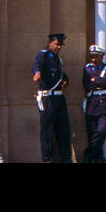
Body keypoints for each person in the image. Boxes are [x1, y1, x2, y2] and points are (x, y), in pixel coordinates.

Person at [33, 32, 72, 163]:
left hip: (59, 98)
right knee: (47, 130)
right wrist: (37, 73)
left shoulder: (58, 59)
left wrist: (66, 80)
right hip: (48, 99)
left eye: (61, 45)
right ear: (50, 43)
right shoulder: (43, 54)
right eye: (57, 44)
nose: (59, 47)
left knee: (63, 129)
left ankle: (65, 158)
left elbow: (60, 74)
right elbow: (36, 65)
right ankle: (47, 158)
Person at [81, 44, 106, 163]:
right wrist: (99, 81)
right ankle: (97, 158)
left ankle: (88, 154)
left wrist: (95, 80)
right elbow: (87, 84)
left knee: (102, 131)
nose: (93, 59)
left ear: (102, 57)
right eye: (91, 56)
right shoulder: (87, 68)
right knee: (92, 132)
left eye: (96, 56)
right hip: (92, 104)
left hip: (105, 104)